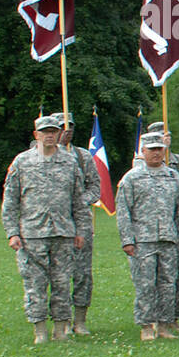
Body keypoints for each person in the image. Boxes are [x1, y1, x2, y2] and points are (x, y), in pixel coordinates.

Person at [1, 113, 91, 344]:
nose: (50, 136)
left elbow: (78, 201)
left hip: (63, 234)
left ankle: (61, 330)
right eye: (45, 132)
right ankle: (39, 331)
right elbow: (10, 201)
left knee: (62, 283)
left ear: (59, 134)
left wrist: (81, 231)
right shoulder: (22, 162)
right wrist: (12, 232)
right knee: (35, 285)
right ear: (36, 135)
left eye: (53, 132)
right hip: (32, 235)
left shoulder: (69, 162)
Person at [115, 132, 179, 340]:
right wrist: (127, 240)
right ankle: (147, 326)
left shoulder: (173, 177)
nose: (156, 153)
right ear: (143, 151)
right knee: (146, 284)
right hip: (143, 241)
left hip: (169, 240)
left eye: (159, 149)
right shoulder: (131, 178)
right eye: (152, 149)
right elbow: (123, 212)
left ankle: (165, 325)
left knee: (169, 283)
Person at [147, 121, 179, 331]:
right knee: (150, 277)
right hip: (149, 231)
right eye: (158, 137)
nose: (163, 140)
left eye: (165, 136)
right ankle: (150, 318)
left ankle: (174, 315)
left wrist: (178, 205)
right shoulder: (139, 164)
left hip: (175, 228)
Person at [54, 112, 102, 334]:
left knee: (82, 273)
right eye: (62, 126)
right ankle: (59, 320)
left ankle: (80, 320)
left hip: (80, 224)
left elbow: (95, 187)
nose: (67, 130)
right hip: (52, 225)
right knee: (57, 275)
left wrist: (78, 202)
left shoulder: (83, 157)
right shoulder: (37, 157)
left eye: (70, 126)